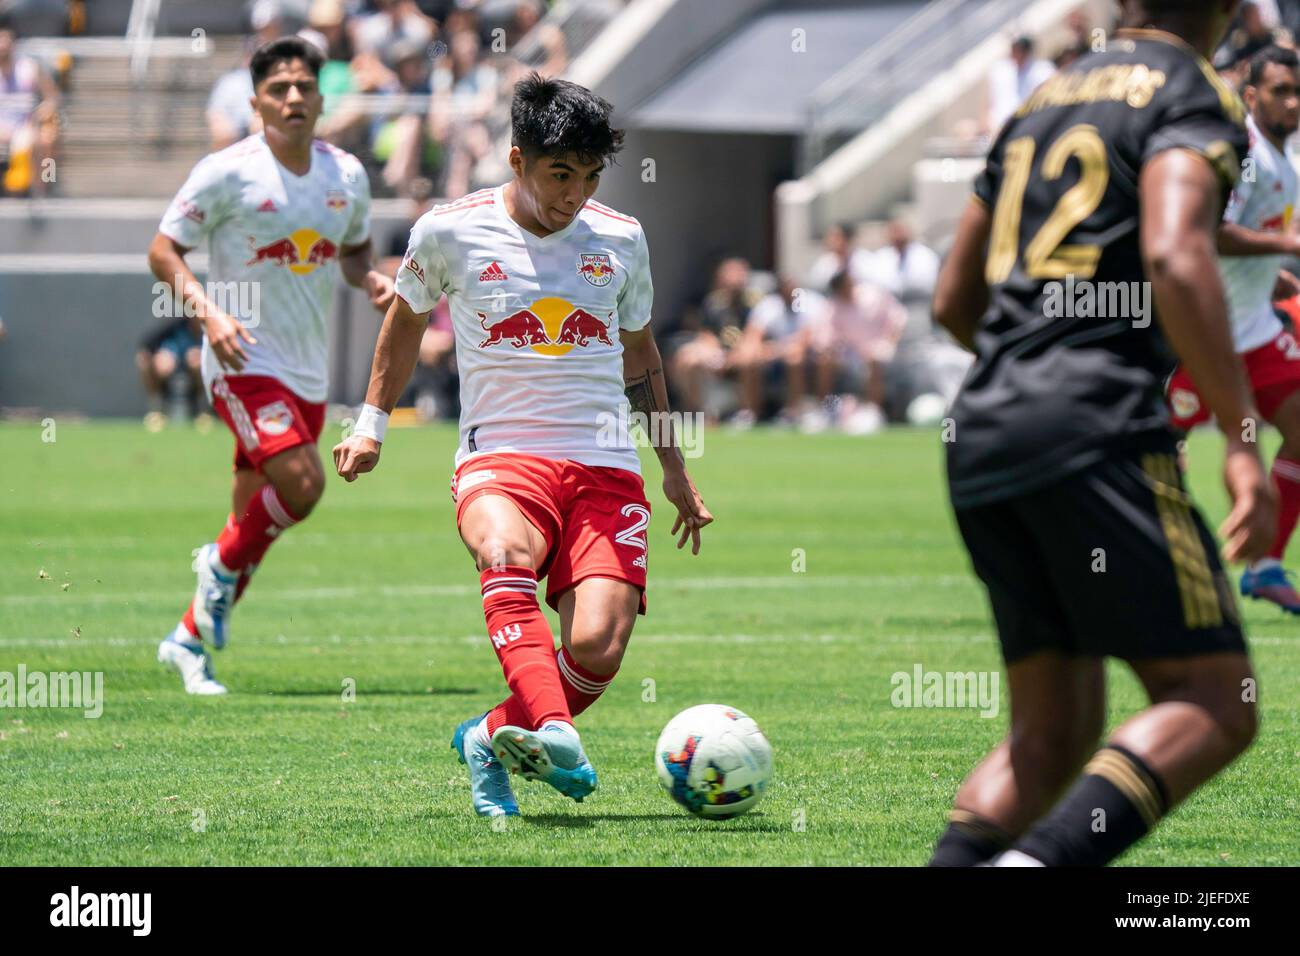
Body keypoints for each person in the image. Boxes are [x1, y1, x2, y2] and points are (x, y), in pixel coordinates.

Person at [930, 0, 1275, 867]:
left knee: (1049, 738)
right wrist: (1241, 439)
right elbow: (1174, 250)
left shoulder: (1044, 95)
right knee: (1211, 698)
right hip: (1094, 424)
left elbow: (952, 302)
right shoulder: (1193, 90)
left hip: (983, 427)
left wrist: (1034, 367)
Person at [333, 73, 713, 817]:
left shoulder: (622, 239)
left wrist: (673, 467)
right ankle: (555, 729)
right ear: (516, 160)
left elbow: (642, 357)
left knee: (599, 647)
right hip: (499, 458)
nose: (576, 193)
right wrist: (371, 422)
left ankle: (489, 735)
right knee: (504, 553)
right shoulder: (449, 230)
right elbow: (405, 321)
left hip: (604, 465)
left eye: (591, 175)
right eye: (560, 174)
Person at [149, 37, 394, 694]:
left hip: (306, 371)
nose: (293, 98)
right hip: (241, 359)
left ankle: (187, 641)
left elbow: (352, 250)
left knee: (249, 524)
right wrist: (210, 316)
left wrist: (368, 278)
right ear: (256, 100)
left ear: (320, 96)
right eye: (279, 88)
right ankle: (216, 567)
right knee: (304, 486)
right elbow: (163, 251)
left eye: (304, 87)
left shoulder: (345, 174)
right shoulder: (227, 171)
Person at [1167, 45, 1300, 613]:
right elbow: (1209, 231)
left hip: (1252, 330)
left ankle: (1265, 564)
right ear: (1251, 96)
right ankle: (1150, 573)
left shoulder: (1282, 157)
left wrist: (1274, 277)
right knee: (1154, 451)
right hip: (1201, 333)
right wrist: (1289, 246)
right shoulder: (1245, 152)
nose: (1292, 103)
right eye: (1280, 92)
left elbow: (1246, 240)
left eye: (1298, 92)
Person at [729, 276, 824, 427]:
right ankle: (749, 413)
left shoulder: (812, 303)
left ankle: (794, 411)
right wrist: (756, 351)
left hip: (808, 357)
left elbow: (805, 340)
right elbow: (753, 336)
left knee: (794, 358)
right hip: (774, 357)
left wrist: (776, 350)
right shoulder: (768, 306)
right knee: (747, 359)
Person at [0, 14, 59, 197]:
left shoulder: (28, 67)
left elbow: (52, 97)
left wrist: (42, 112)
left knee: (47, 139)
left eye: (6, 39)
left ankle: (45, 186)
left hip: (25, 126)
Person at [136, 316, 203, 430]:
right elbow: (147, 345)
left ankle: (203, 412)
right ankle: (156, 410)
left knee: (196, 360)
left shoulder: (213, 328)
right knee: (151, 361)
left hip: (199, 374)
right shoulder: (175, 327)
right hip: (173, 369)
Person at [987, 36, 1056, 135]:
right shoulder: (1000, 70)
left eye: (1020, 50)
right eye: (1014, 49)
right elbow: (988, 104)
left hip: (1029, 124)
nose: (1016, 53)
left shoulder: (1042, 70)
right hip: (999, 127)